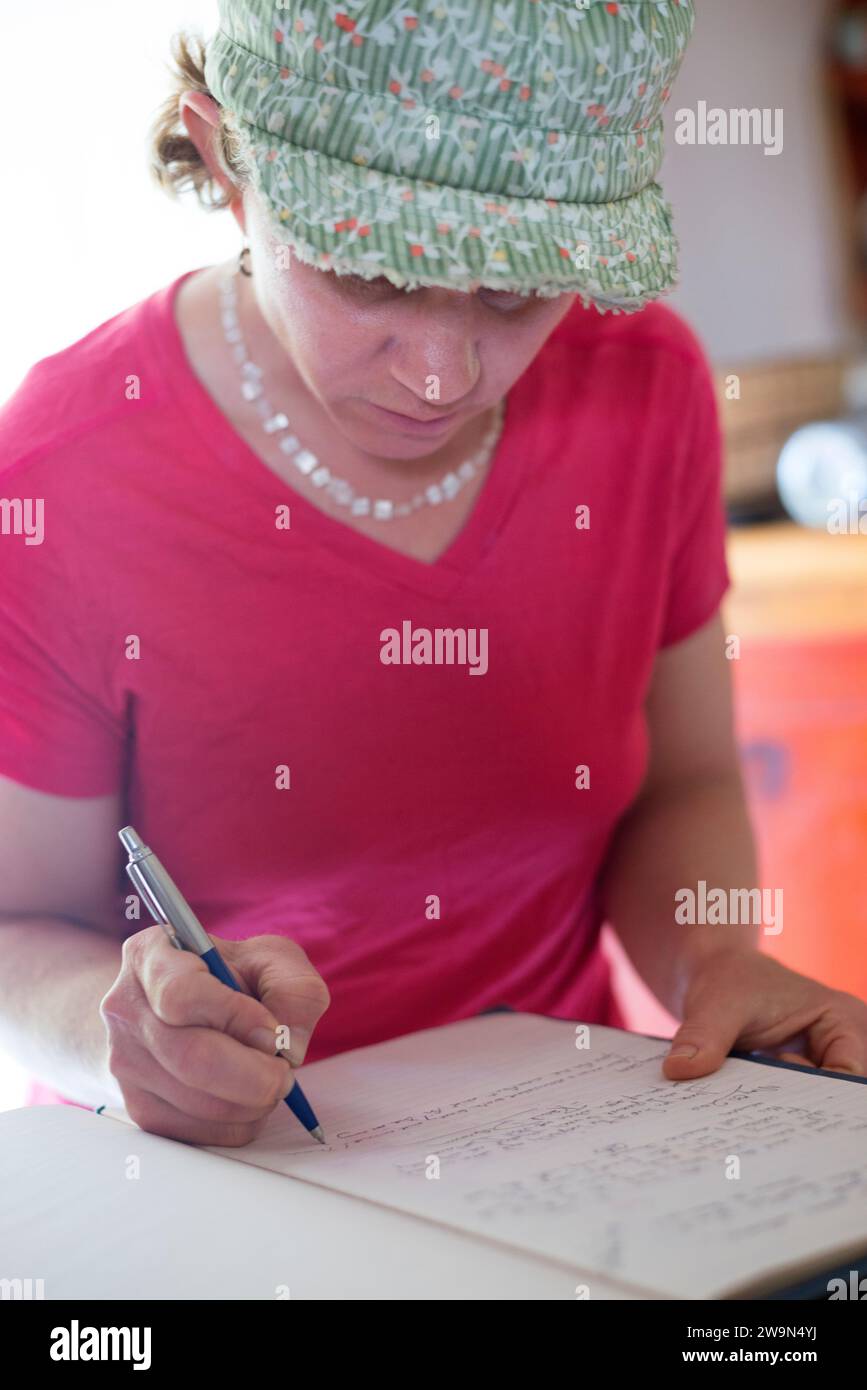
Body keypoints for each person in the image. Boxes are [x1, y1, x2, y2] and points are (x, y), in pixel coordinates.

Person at [0, 0, 864, 1149]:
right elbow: (14, 925)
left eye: (518, 289)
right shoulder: (66, 470)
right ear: (227, 158)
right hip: (195, 1182)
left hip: (564, 1145)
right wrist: (129, 1041)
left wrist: (714, 963)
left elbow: (687, 782)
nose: (443, 376)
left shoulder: (646, 389)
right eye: (370, 272)